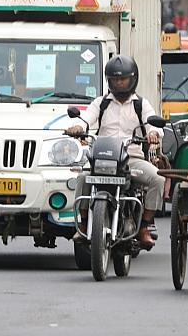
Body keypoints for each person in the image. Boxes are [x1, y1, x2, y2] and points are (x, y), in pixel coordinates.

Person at [65, 55, 164, 249]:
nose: (119, 83)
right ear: (108, 80)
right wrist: (77, 127)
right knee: (83, 178)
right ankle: (83, 223)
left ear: (133, 79)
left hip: (131, 159)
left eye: (123, 79)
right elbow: (86, 118)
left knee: (158, 179)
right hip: (102, 158)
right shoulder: (100, 103)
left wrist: (153, 133)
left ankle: (144, 226)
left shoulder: (141, 104)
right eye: (114, 79)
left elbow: (152, 123)